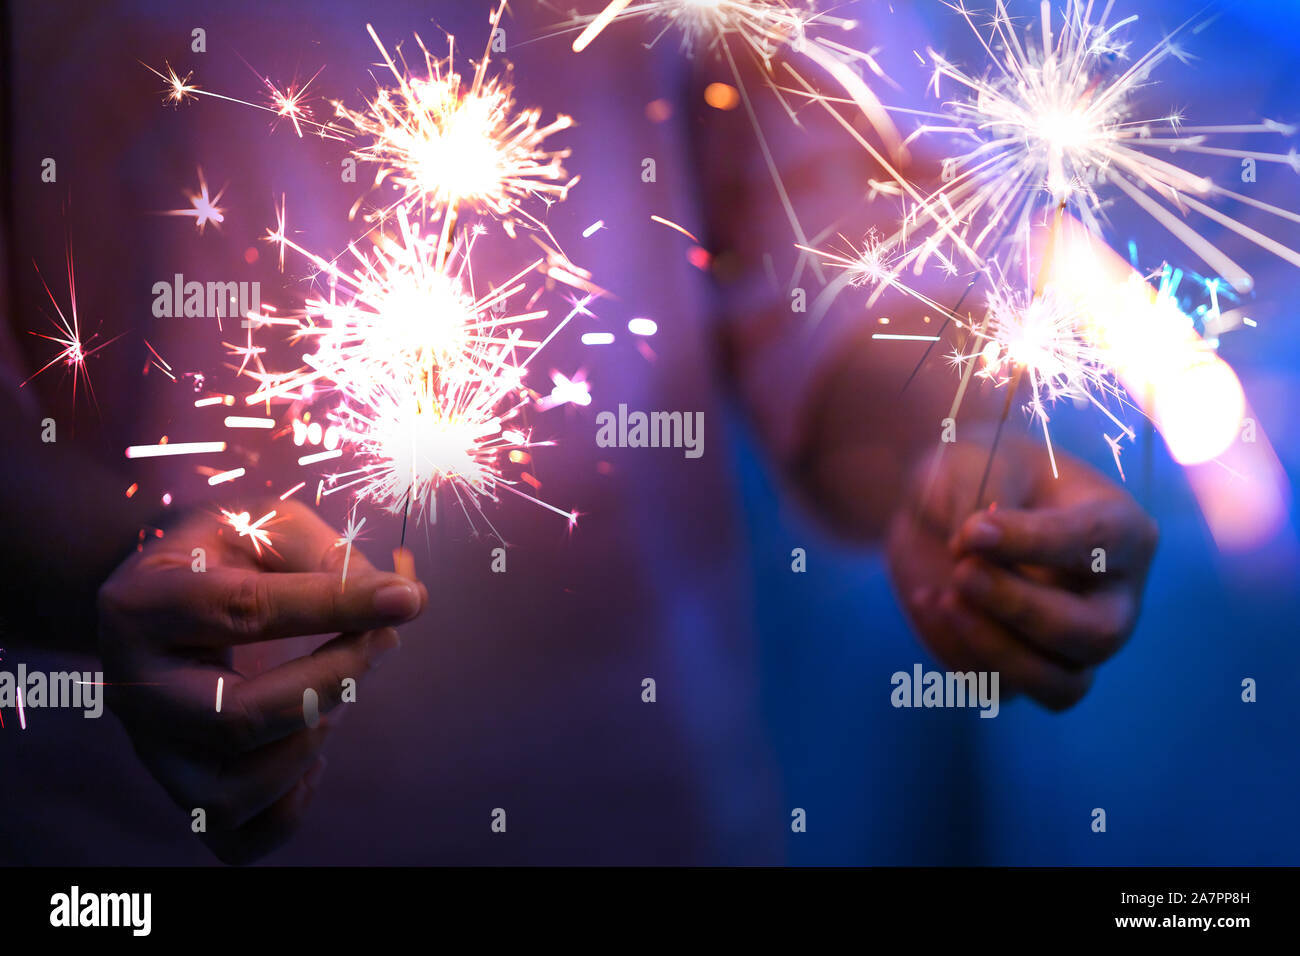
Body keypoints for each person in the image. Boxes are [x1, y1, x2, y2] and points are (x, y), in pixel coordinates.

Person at [0, 0, 1155, 864]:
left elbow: (828, 282)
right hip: (125, 838)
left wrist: (958, 469)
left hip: (642, 809)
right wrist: (108, 570)